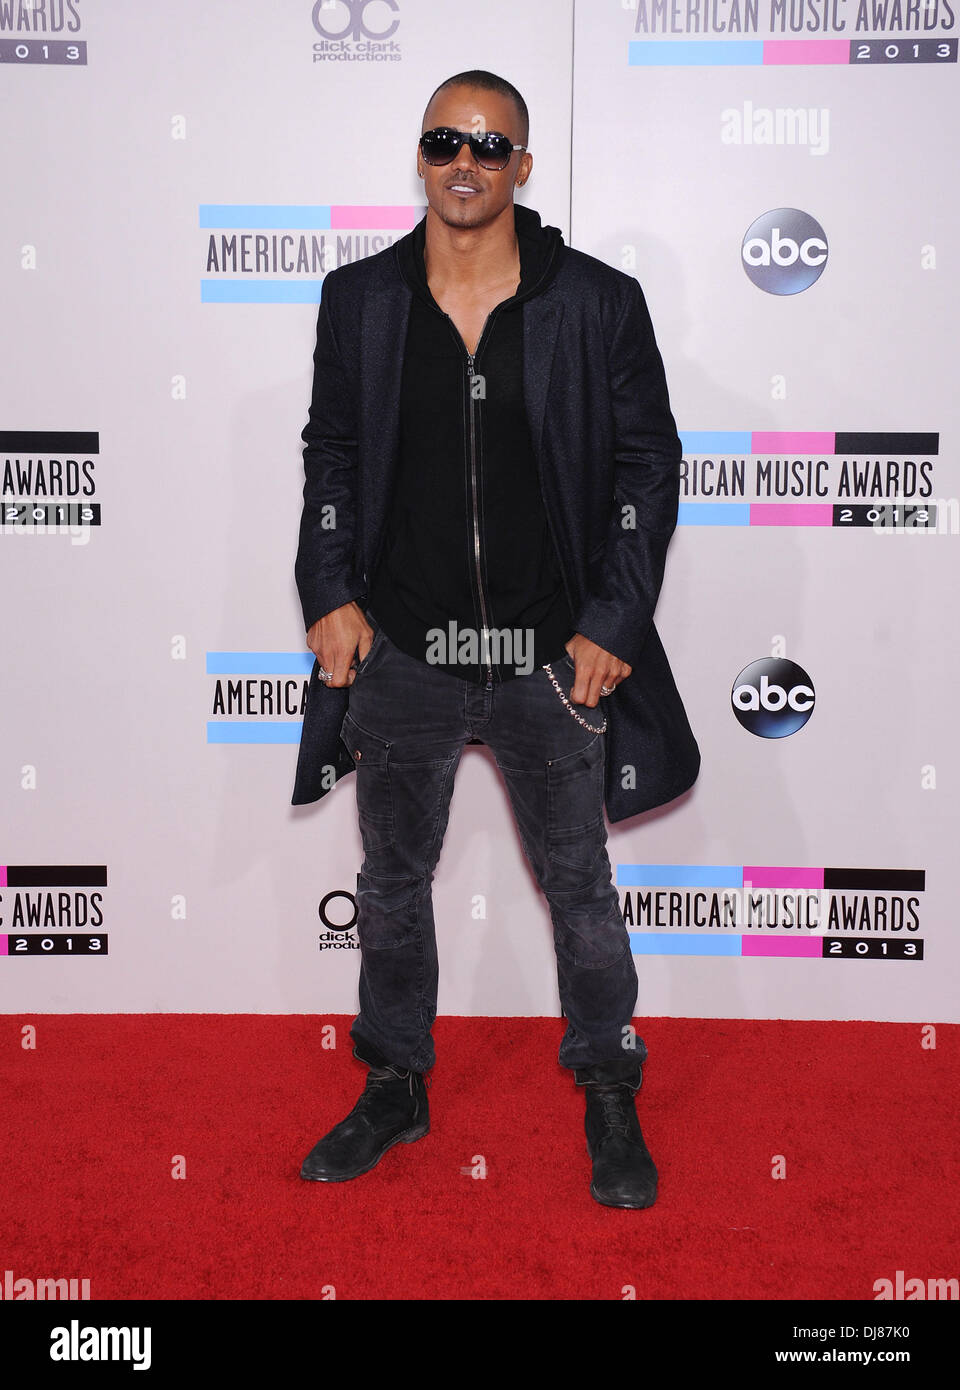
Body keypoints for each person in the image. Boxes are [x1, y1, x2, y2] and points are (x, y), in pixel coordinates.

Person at [292, 70, 700, 1208]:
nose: (463, 161)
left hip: (544, 657)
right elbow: (332, 454)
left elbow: (648, 466)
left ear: (524, 166)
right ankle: (395, 1083)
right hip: (408, 650)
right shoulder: (360, 300)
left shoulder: (596, 302)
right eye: (441, 141)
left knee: (579, 881)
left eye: (489, 142)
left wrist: (613, 617)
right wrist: (330, 590)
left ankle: (608, 1081)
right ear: (419, 159)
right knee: (390, 881)